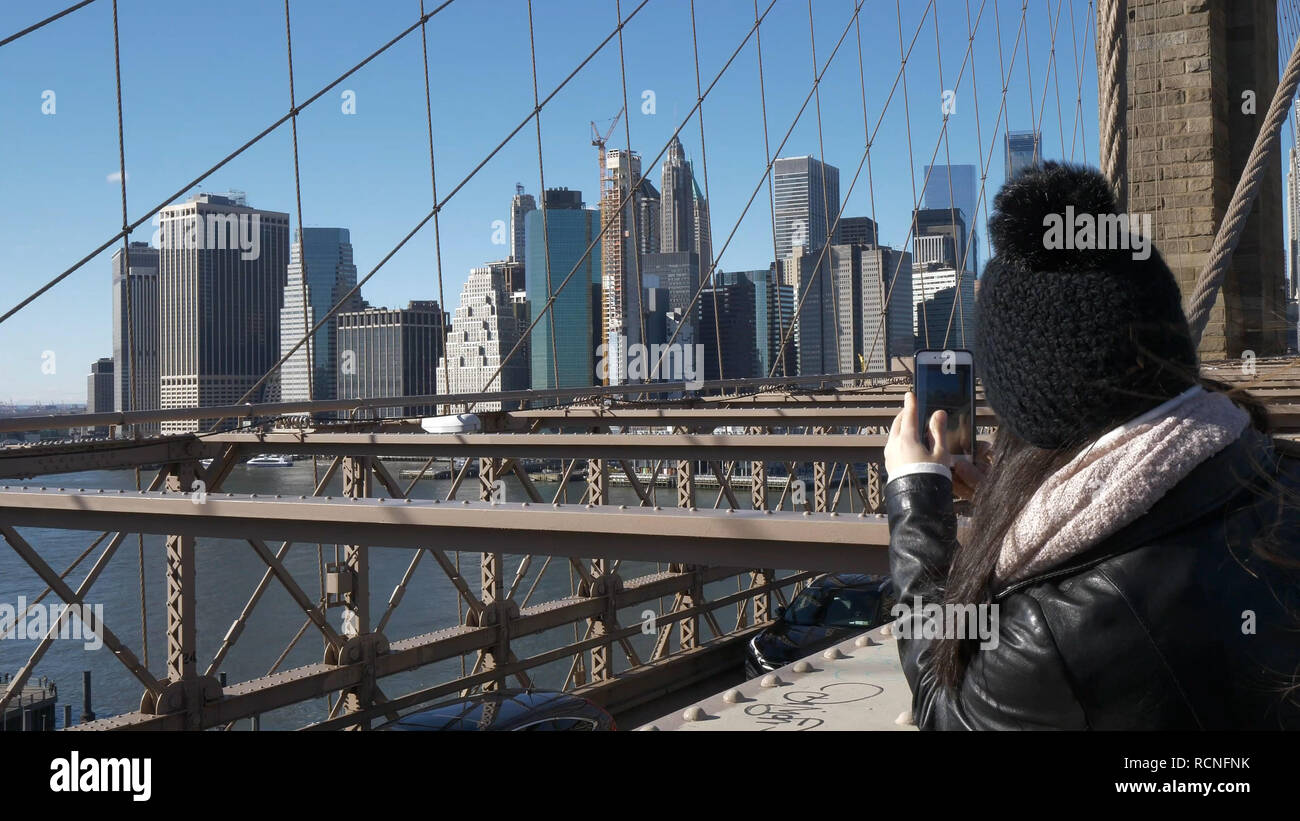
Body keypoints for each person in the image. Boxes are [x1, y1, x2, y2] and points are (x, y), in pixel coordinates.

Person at [883, 162, 1300, 730]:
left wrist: (916, 495)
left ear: (1022, 410)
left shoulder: (1047, 632)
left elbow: (941, 707)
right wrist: (1014, 508)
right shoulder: (1281, 473)